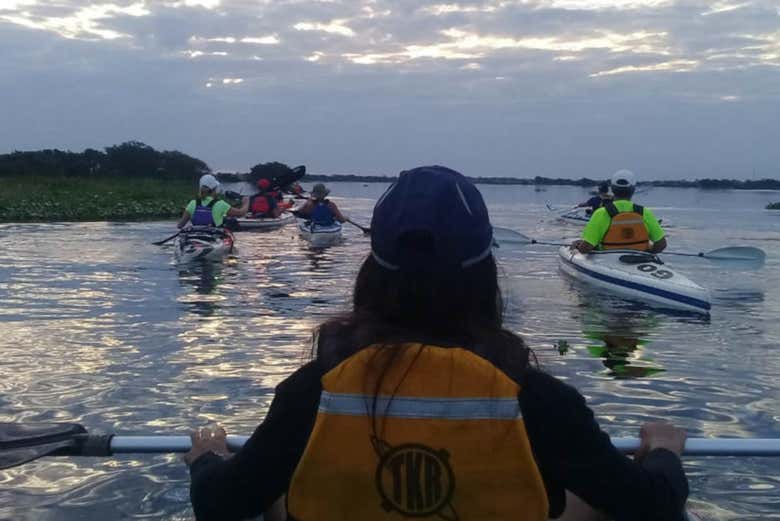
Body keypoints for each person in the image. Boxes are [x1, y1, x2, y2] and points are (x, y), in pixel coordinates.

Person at [184, 166, 689, 521]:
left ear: (372, 272)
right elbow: (654, 504)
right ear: (484, 273)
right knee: (595, 502)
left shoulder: (311, 391)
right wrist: (663, 453)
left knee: (277, 493)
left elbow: (218, 503)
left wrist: (208, 457)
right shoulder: (541, 399)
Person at [572, 169, 667, 254]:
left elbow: (586, 248)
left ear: (612, 189)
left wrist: (578, 246)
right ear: (633, 190)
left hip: (606, 259)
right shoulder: (644, 212)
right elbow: (661, 244)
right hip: (641, 257)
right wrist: (648, 252)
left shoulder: (601, 213)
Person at [177, 174, 248, 229]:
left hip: (195, 237)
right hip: (214, 238)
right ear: (214, 188)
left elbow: (180, 225)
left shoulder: (192, 203)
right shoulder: (220, 204)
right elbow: (241, 213)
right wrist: (246, 202)